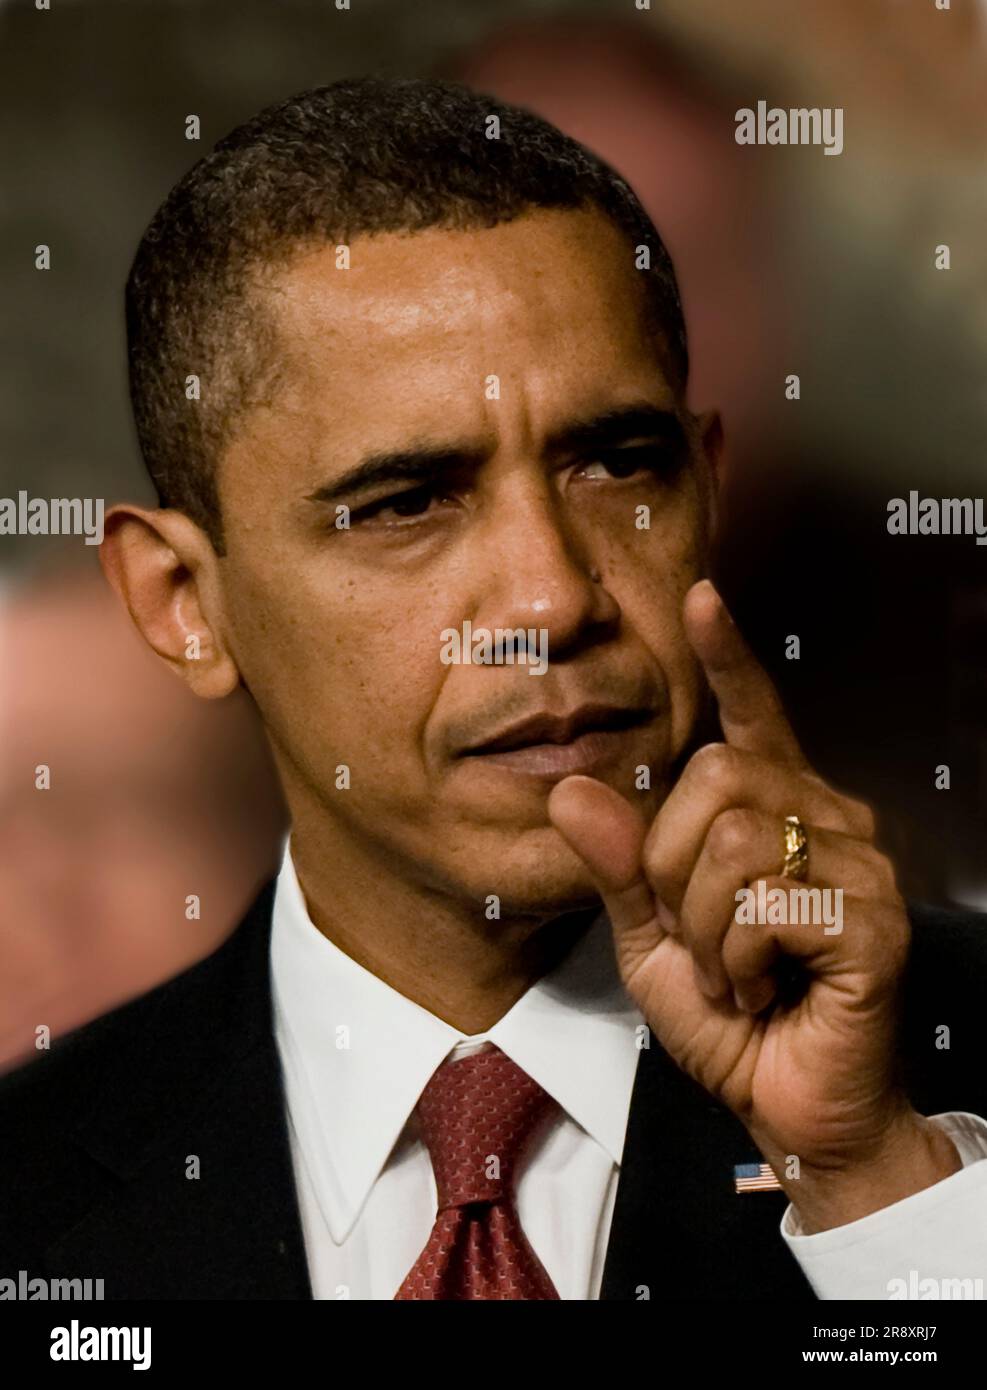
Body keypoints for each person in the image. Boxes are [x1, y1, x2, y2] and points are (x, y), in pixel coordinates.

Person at [2, 77, 985, 1302]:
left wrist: (878, 1189)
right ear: (181, 604)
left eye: (620, 462)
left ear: (710, 490)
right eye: (407, 502)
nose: (550, 600)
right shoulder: (26, 1195)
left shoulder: (937, 1086)